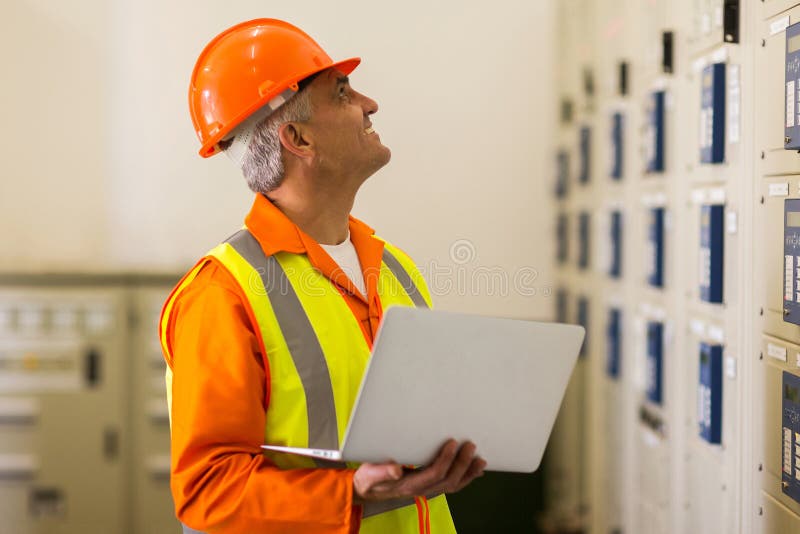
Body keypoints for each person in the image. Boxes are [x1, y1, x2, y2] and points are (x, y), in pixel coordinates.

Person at [159, 19, 486, 534]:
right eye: (342, 93)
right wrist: (350, 492)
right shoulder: (222, 294)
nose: (370, 104)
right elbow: (208, 494)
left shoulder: (395, 266)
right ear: (297, 138)